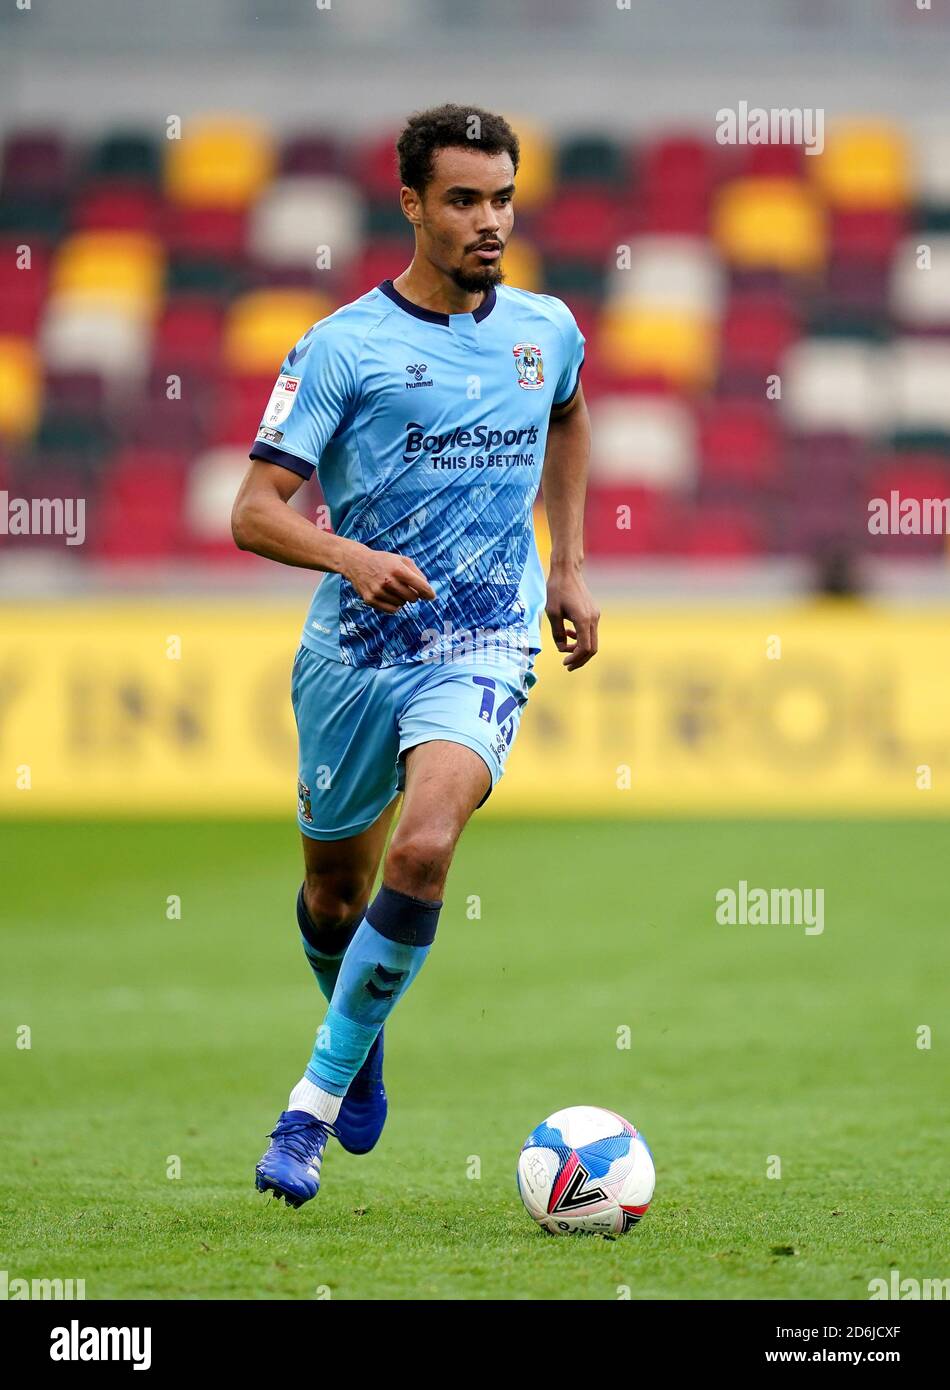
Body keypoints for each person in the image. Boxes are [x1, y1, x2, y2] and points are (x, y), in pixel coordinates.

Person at [230, 103, 599, 1207]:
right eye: (463, 200)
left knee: (424, 848)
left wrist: (568, 563)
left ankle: (307, 1106)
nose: (489, 221)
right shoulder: (344, 346)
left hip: (479, 642)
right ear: (410, 204)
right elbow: (252, 512)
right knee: (334, 897)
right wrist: (349, 556)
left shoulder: (546, 328)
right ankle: (361, 1026)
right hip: (354, 652)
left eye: (502, 199)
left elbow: (570, 414)